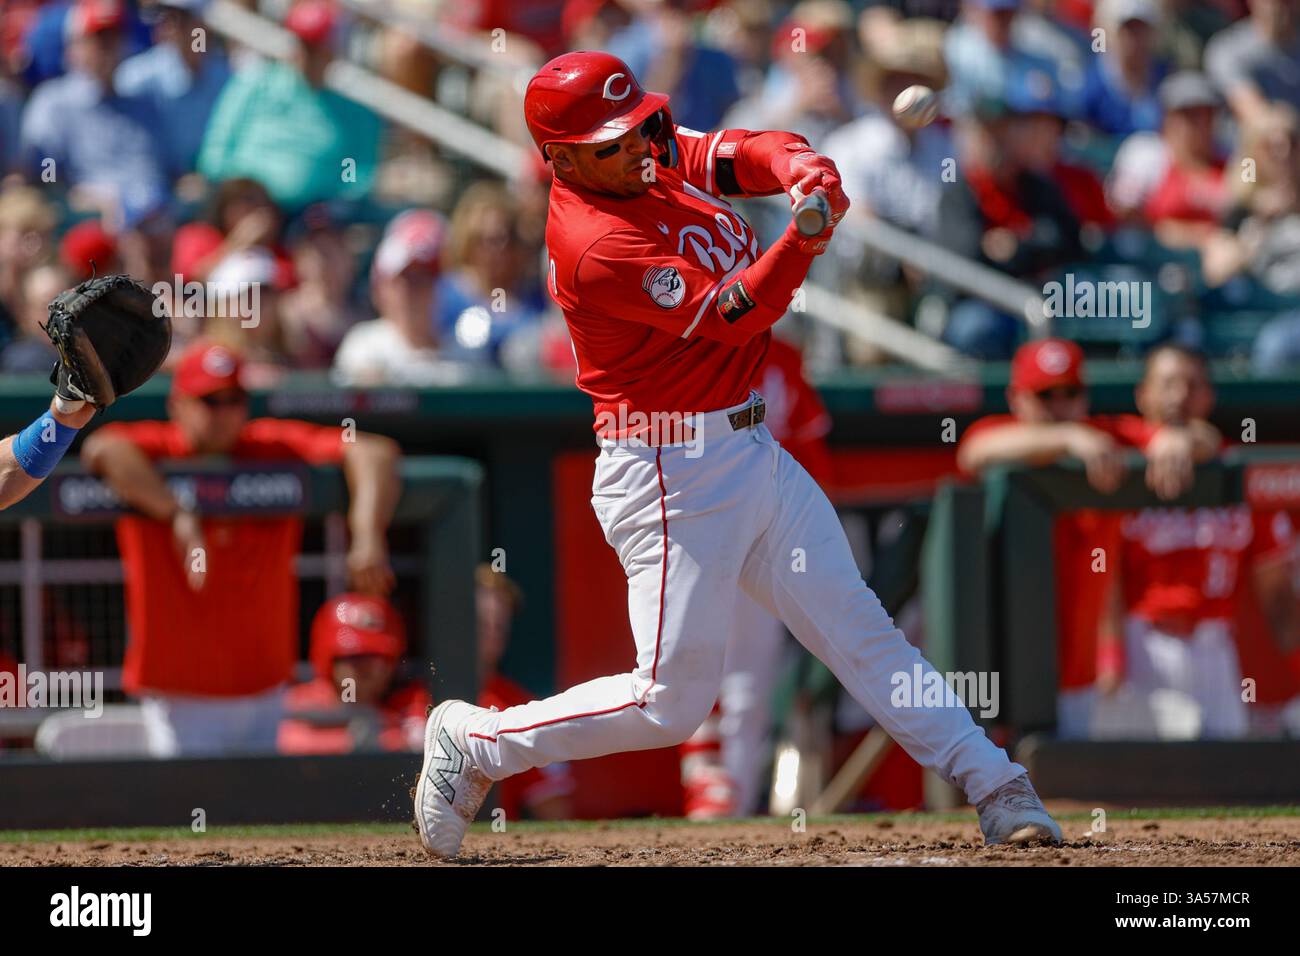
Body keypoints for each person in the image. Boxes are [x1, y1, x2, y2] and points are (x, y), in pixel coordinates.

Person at [414, 50, 1063, 859]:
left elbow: (735, 152)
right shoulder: (593, 240)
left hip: (751, 447)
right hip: (667, 473)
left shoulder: (642, 156)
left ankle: (998, 786)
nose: (639, 145)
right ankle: (477, 743)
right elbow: (734, 312)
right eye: (612, 140)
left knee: (863, 632)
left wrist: (801, 165)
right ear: (561, 156)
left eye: (638, 127)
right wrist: (806, 235)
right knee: (669, 704)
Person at [81, 340, 401, 756]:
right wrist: (176, 514)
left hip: (265, 688)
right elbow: (100, 448)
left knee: (261, 818)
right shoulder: (158, 448)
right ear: (178, 404)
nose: (224, 412)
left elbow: (373, 451)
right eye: (210, 401)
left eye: (234, 399)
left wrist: (368, 536)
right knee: (191, 812)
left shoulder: (269, 445)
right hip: (180, 693)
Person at [957, 338, 1222, 737]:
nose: (1060, 405)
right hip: (997, 670)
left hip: (1078, 674)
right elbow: (974, 451)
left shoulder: (1104, 436)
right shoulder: (1004, 433)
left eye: (1071, 393)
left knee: (1066, 788)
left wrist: (1180, 439)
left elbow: (1208, 439)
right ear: (1017, 398)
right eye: (1046, 395)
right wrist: (1066, 439)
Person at [1110, 344, 1298, 739]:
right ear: (1142, 396)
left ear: (1209, 396)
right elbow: (1099, 581)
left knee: (1227, 780)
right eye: (1167, 384)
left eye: (1192, 385)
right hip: (1143, 644)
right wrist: (1108, 659)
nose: (1179, 396)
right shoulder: (1117, 455)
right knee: (1147, 783)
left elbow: (1278, 595)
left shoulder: (1234, 467)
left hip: (1215, 647)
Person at [679, 334, 832, 818]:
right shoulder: (687, 345)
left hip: (769, 535)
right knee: (684, 665)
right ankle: (704, 791)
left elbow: (812, 454)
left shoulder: (783, 356)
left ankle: (733, 805)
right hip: (701, 527)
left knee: (749, 683)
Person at [196, 0, 381, 213]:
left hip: (312, 218)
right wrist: (230, 192)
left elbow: (356, 171)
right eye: (304, 45)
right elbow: (217, 147)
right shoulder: (256, 83)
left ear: (332, 50)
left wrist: (337, 203)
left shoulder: (353, 108)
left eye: (317, 46)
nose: (309, 55)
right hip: (242, 205)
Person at [18, 0, 172, 230]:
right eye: (98, 39)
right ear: (74, 47)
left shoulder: (143, 105)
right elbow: (45, 180)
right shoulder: (53, 103)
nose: (107, 48)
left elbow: (165, 171)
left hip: (153, 223)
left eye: (114, 38)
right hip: (87, 226)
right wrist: (82, 199)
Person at [473, 567, 575, 821]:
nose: (493, 634)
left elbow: (556, 815)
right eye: (482, 623)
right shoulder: (405, 699)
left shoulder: (520, 708)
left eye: (500, 625)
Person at [332, 209, 473, 387]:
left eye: (423, 279)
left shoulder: (467, 349)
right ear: (381, 286)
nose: (410, 291)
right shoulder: (365, 345)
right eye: (402, 279)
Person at [278, 593, 430, 754]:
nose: (365, 666)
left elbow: (421, 738)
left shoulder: (409, 702)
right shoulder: (303, 701)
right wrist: (363, 740)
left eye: (377, 656)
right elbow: (292, 743)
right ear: (328, 660)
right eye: (353, 656)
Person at [114, 0, 231, 176]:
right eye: (169, 18)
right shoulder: (136, 78)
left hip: (211, 183)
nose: (172, 26)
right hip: (155, 182)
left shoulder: (225, 76)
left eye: (183, 18)